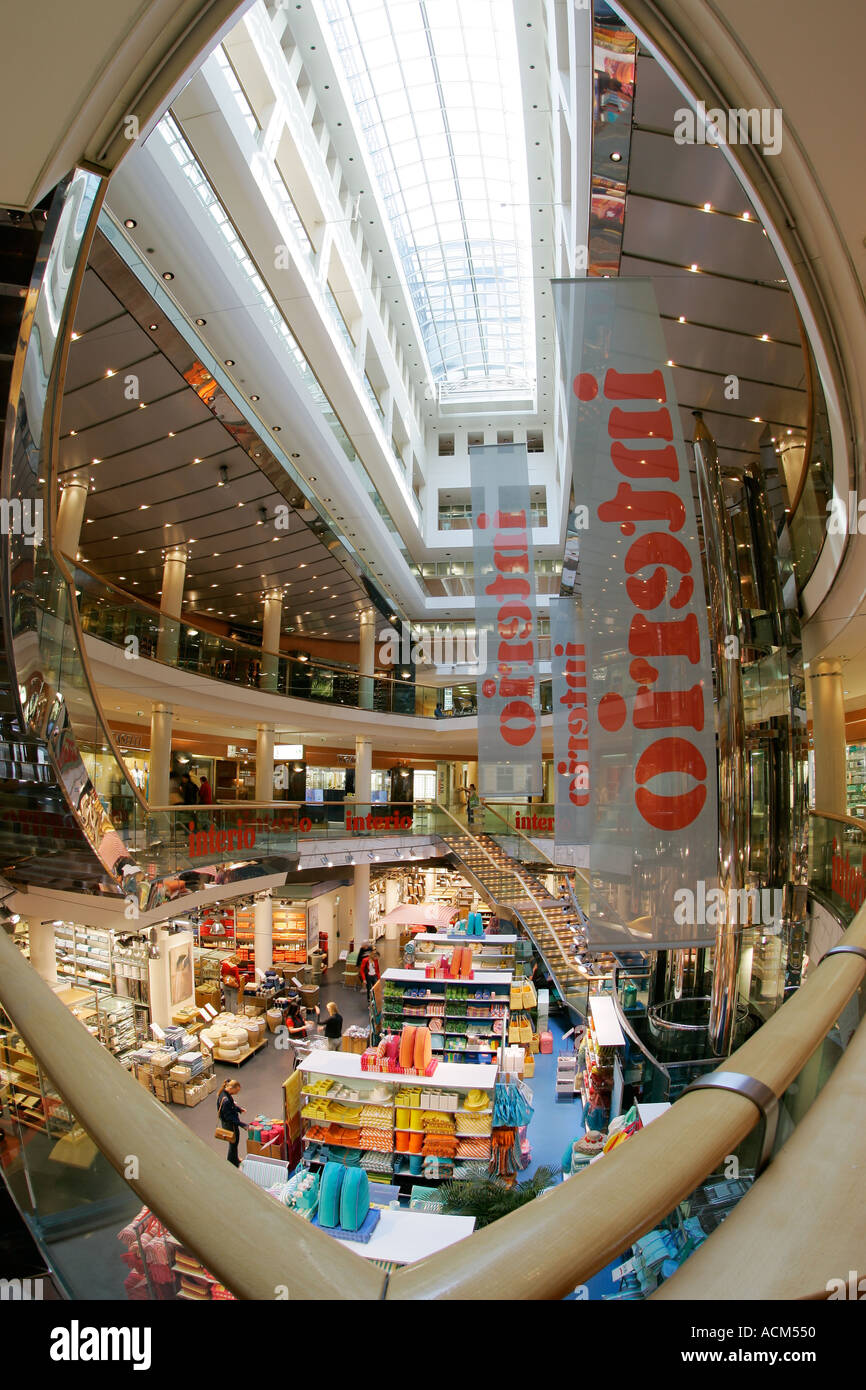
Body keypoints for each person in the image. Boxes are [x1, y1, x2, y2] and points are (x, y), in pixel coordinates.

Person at [216, 1079, 247, 1167]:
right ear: (231, 1088)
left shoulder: (224, 1094)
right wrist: (242, 1125)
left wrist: (239, 1109)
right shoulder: (226, 1100)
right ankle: (232, 1162)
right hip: (230, 1125)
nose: (236, 1093)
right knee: (233, 1143)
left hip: (228, 1123)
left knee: (234, 1142)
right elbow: (229, 1117)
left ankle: (235, 1158)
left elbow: (231, 1107)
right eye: (236, 1091)